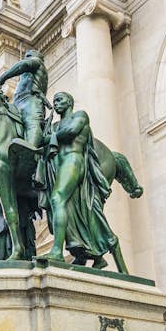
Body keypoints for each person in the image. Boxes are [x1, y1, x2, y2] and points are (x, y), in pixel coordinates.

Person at [43, 92, 128, 273]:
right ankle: (90, 254)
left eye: (60, 100)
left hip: (74, 162)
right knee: (64, 206)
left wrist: (51, 135)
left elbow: (70, 132)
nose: (56, 103)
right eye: (54, 101)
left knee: (57, 199)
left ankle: (57, 251)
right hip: (61, 167)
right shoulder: (55, 125)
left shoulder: (80, 116)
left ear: (70, 102)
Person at [0, 49, 50, 183]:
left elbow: (22, 65)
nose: (27, 58)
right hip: (17, 103)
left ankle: (32, 156)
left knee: (32, 124)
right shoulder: (27, 72)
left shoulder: (37, 63)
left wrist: (2, 78)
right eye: (26, 56)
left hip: (31, 101)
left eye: (29, 56)